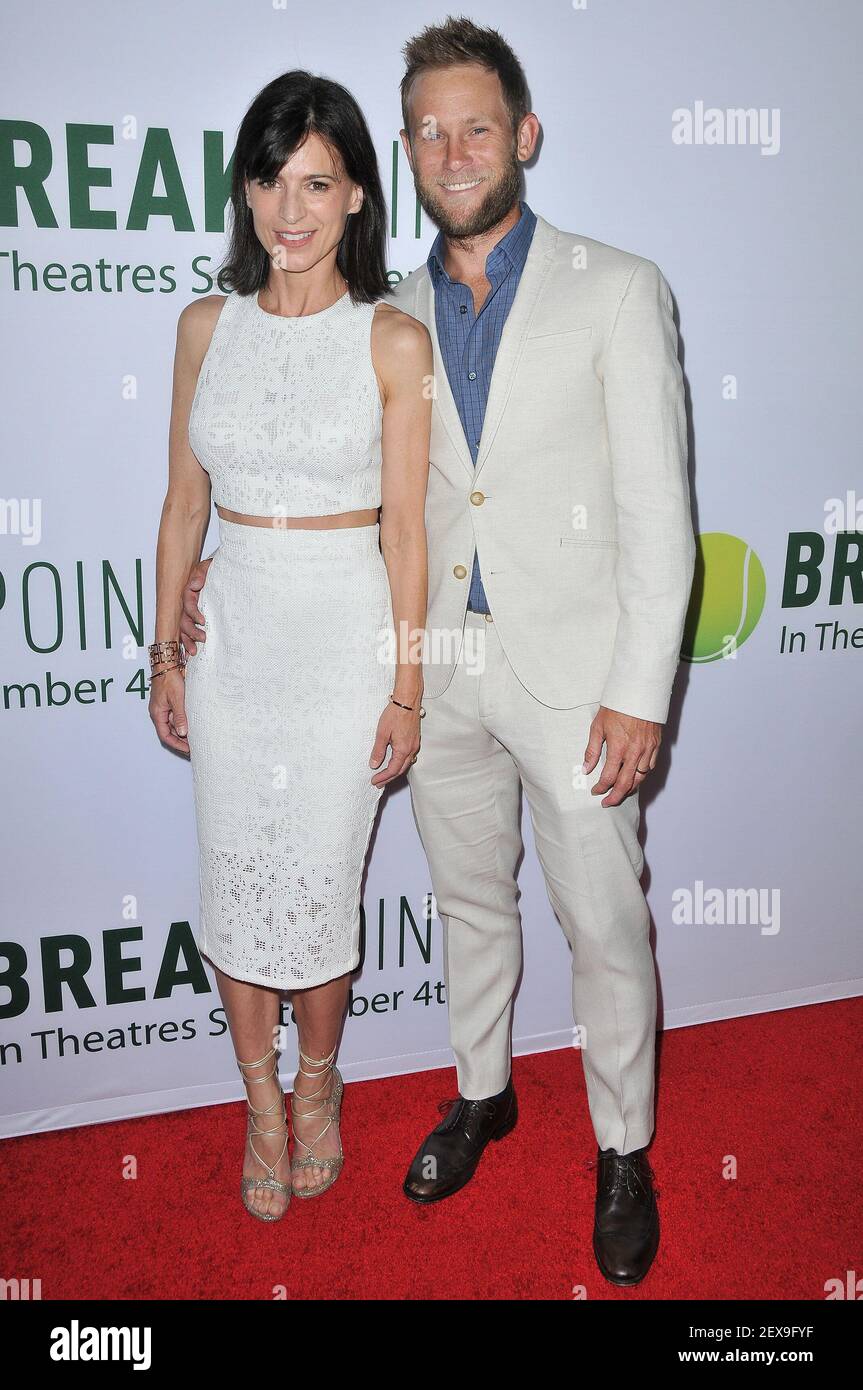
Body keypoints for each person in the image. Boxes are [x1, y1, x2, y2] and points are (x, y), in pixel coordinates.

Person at [181, 17, 696, 1285]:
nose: (453, 149)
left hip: (575, 676)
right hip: (423, 663)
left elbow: (659, 513)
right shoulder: (385, 313)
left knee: (602, 927)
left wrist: (639, 694)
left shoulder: (618, 286)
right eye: (428, 130)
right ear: (401, 156)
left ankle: (621, 1147)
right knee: (469, 904)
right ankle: (481, 1092)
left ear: (523, 134)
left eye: (476, 125)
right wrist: (220, 557)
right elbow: (359, 495)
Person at [149, 69, 431, 1223]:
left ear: (359, 192)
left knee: (317, 891)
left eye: (317, 180)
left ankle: (319, 1080)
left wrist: (408, 686)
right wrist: (163, 651)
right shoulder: (203, 326)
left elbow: (408, 531)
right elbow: (180, 507)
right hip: (233, 644)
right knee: (232, 880)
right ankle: (258, 1099)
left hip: (342, 635)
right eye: (269, 178)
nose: (290, 206)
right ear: (245, 192)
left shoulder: (392, 339)